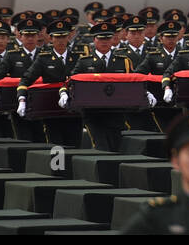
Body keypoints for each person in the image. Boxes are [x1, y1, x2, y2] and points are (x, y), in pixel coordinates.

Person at [59, 22, 148, 151]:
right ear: (94, 40)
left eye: (107, 38)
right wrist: (64, 92)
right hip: (93, 113)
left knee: (116, 147)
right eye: (100, 38)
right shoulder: (85, 62)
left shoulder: (123, 61)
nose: (104, 42)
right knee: (101, 146)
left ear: (113, 39)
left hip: (116, 112)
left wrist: (145, 93)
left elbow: (132, 81)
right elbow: (72, 80)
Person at [17, 20, 83, 146]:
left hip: (73, 111)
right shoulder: (44, 58)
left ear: (69, 37)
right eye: (57, 37)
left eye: (63, 36)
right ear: (51, 38)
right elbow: (26, 79)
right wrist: (22, 99)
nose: (61, 40)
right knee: (56, 147)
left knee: (75, 146)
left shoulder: (78, 57)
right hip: (51, 109)